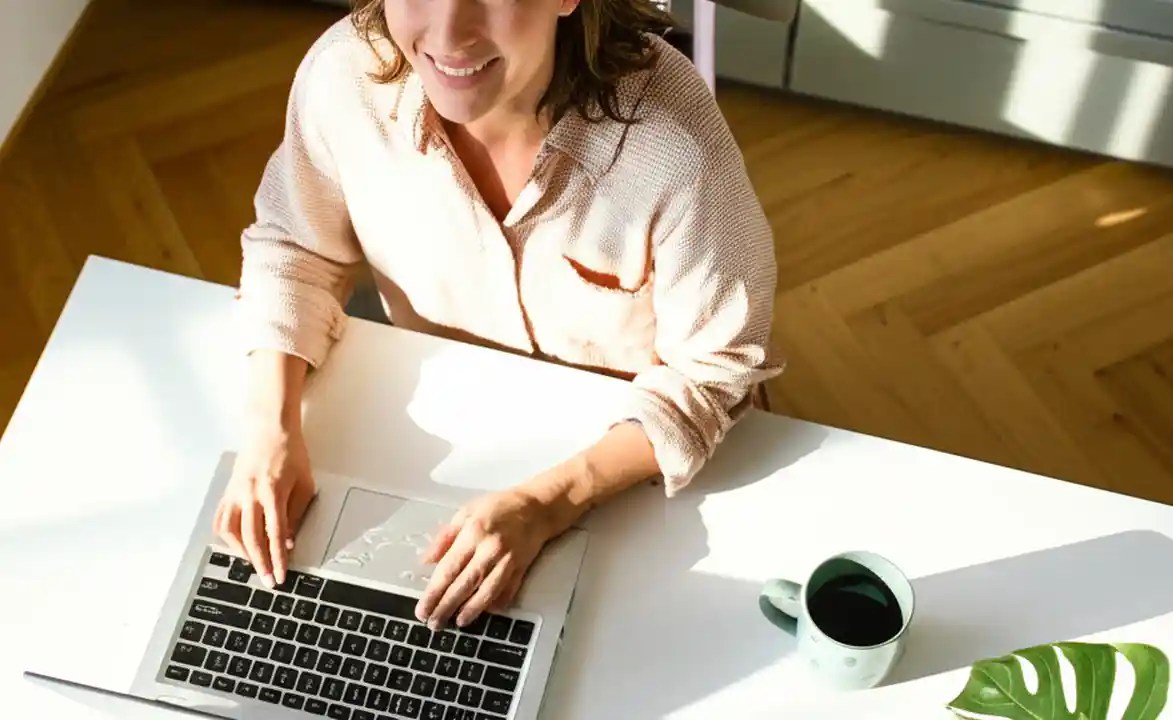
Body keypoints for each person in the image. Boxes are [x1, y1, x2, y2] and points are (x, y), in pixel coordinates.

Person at [213, 0, 782, 631]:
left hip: (636, 474)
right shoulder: (342, 80)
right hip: (450, 439)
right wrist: (271, 431)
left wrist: (550, 501)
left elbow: (712, 374)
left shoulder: (674, 145)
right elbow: (296, 248)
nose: (449, 34)